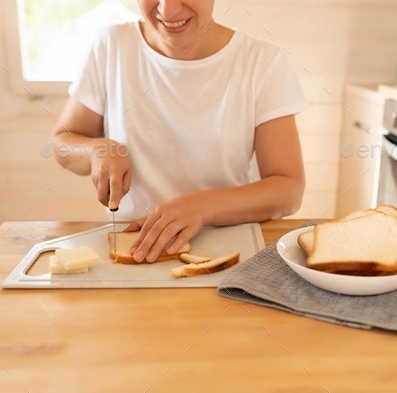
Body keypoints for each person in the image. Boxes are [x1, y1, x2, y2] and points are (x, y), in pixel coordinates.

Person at [52, 0, 307, 263]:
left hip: (228, 246)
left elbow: (288, 189)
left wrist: (203, 207)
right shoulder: (111, 45)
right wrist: (98, 149)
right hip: (133, 246)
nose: (167, 10)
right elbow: (62, 143)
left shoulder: (262, 61)